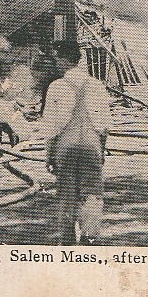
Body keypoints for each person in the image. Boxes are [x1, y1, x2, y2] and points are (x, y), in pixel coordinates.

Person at [34, 40, 111, 246]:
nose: (56, 63)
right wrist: (101, 151)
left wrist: (49, 154)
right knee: (92, 192)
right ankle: (89, 237)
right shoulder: (97, 86)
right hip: (92, 145)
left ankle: (67, 238)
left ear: (63, 60)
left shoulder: (57, 87)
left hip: (65, 147)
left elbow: (51, 127)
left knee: (67, 192)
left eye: (57, 59)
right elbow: (104, 126)